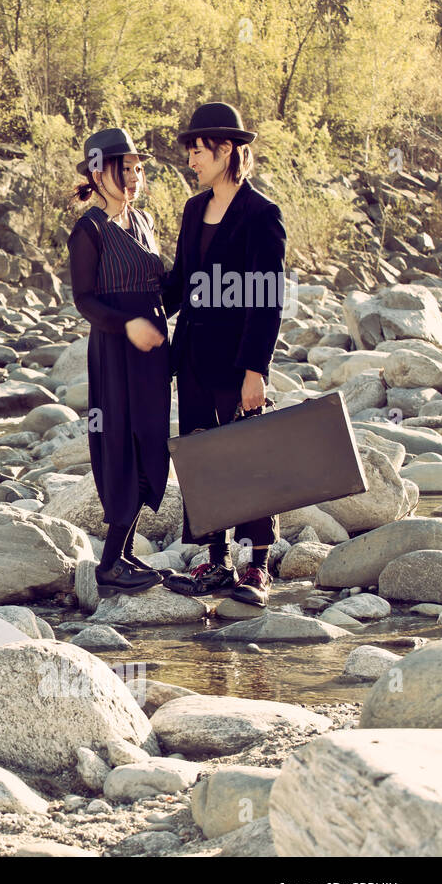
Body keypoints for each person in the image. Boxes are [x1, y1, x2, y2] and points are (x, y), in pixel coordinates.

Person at [161, 102, 287, 607]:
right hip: (192, 353)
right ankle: (215, 558)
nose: (192, 158)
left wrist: (255, 371)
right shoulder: (194, 210)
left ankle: (256, 565)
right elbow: (181, 283)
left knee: (249, 457)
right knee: (201, 453)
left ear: (227, 149)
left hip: (237, 360)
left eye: (199, 149)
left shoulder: (262, 215)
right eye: (190, 149)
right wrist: (140, 319)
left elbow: (267, 299)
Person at [66, 128, 174, 598]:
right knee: (119, 444)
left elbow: (161, 287)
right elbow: (84, 300)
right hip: (114, 351)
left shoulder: (145, 221)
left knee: (151, 442)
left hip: (152, 351)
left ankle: (123, 555)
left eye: (136, 167)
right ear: (97, 171)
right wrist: (126, 325)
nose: (132, 176)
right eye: (122, 167)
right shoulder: (87, 230)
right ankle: (110, 564)